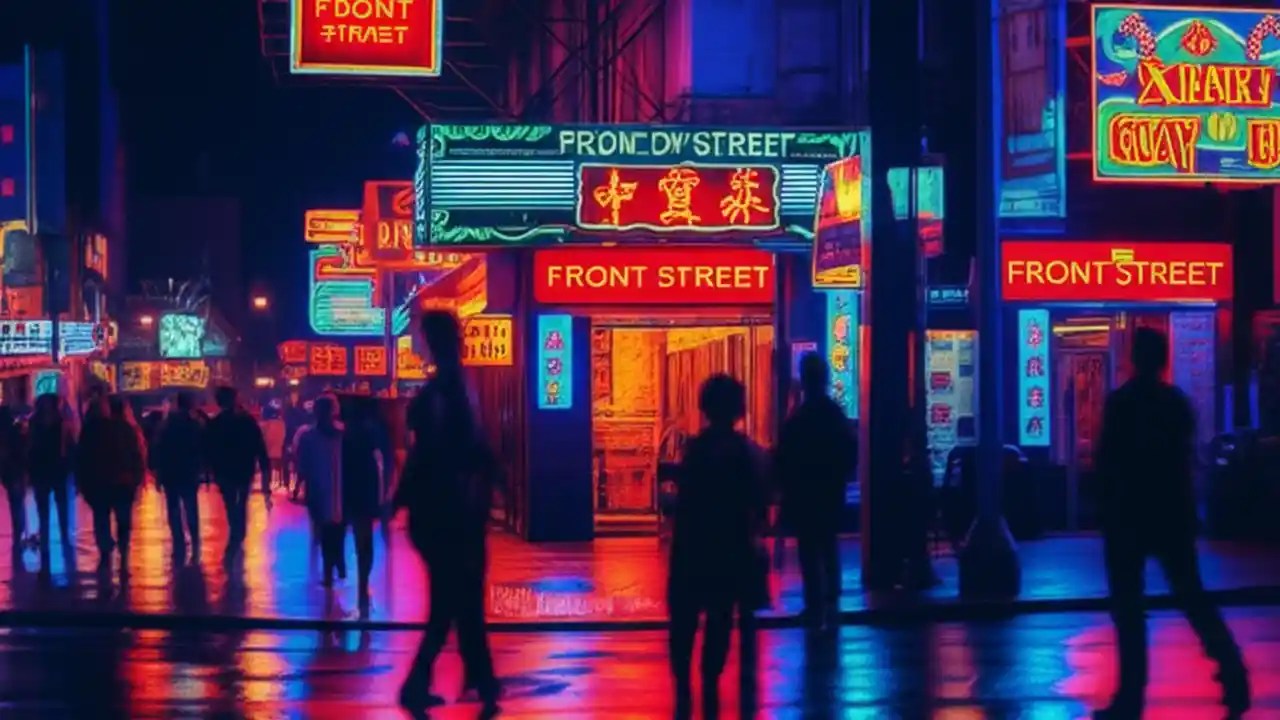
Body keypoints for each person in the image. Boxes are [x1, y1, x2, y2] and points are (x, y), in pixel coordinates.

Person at [1094, 328, 1249, 719]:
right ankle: (1234, 677)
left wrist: (1105, 511)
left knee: (1130, 611)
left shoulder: (1122, 403)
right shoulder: (1175, 403)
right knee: (1192, 598)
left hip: (1128, 518)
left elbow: (1107, 464)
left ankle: (1130, 699)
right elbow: (1183, 459)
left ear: (1134, 357)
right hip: (1170, 514)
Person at [396, 310, 501, 717]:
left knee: (459, 599)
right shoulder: (448, 391)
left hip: (447, 512)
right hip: (450, 513)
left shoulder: (448, 389)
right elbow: (441, 452)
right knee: (456, 600)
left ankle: (476, 677)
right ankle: (455, 679)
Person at [667, 374, 767, 720]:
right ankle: (710, 680)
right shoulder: (745, 452)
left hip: (692, 548)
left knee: (684, 619)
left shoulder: (695, 450)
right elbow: (758, 500)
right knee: (720, 618)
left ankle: (683, 685)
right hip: (729, 550)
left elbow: (684, 503)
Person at [774, 353, 857, 629]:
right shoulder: (834, 414)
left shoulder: (798, 417)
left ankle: (815, 604)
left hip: (805, 493)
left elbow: (784, 457)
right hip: (830, 491)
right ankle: (831, 601)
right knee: (828, 545)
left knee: (809, 549)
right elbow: (849, 453)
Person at [77, 395, 146, 575]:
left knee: (101, 518)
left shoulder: (92, 430)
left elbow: (82, 458)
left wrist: (83, 483)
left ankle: (105, 552)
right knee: (123, 520)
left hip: (100, 482)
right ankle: (123, 555)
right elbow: (136, 456)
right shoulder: (127, 429)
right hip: (123, 482)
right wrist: (136, 478)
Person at [205, 386, 272, 565]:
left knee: (230, 503)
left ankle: (236, 531)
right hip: (244, 469)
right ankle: (238, 532)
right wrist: (265, 470)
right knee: (242, 501)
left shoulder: (216, 423)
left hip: (224, 471)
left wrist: (209, 470)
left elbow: (208, 448)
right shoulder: (247, 421)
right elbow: (260, 447)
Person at [339, 394, 390, 614]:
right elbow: (385, 462)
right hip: (364, 491)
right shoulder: (374, 432)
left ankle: (339, 569)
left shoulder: (342, 433)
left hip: (344, 489)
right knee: (364, 541)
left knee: (337, 535)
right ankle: (362, 583)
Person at [295, 394, 346, 586]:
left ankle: (328, 571)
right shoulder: (343, 434)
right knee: (337, 529)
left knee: (324, 532)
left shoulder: (308, 436)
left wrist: (298, 487)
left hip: (318, 490)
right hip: (341, 489)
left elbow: (303, 465)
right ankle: (337, 563)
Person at [150, 392, 205, 565]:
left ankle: (178, 543)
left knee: (173, 510)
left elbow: (158, 449)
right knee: (191, 508)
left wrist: (158, 473)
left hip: (170, 473)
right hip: (188, 473)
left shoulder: (166, 425)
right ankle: (195, 543)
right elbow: (201, 448)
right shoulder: (194, 425)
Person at [27, 393, 76, 568]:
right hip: (57, 469)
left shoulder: (34, 423)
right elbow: (70, 447)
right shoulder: (61, 423)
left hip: (42, 469)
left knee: (44, 508)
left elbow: (30, 448)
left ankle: (47, 539)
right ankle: (63, 536)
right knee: (61, 505)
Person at [0, 406, 27, 557]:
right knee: (18, 502)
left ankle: (17, 531)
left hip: (8, 472)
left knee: (14, 503)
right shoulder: (14, 432)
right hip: (16, 471)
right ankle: (19, 531)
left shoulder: (3, 435)